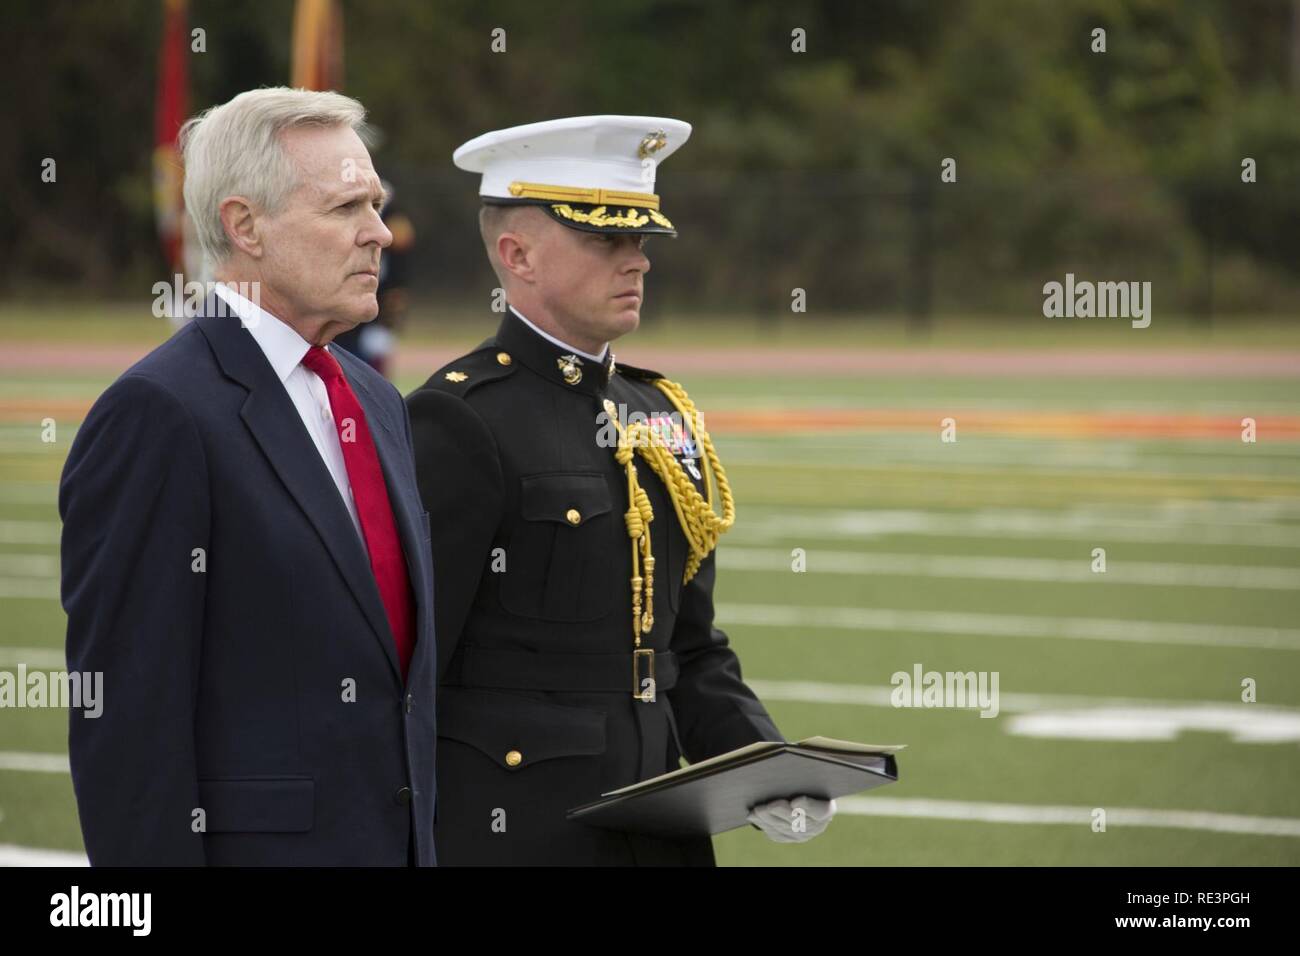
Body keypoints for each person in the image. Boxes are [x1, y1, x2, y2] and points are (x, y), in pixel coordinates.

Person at [406, 115, 835, 865]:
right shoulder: (460, 416)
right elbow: (411, 665)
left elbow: (689, 649)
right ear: (518, 256)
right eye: (607, 240)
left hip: (657, 826)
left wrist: (766, 762)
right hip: (515, 833)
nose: (636, 261)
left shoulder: (661, 415)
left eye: (640, 240)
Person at [59, 87, 437, 866]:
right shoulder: (159, 415)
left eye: (376, 204)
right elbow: (128, 730)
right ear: (244, 226)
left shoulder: (375, 399)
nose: (378, 233)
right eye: (344, 209)